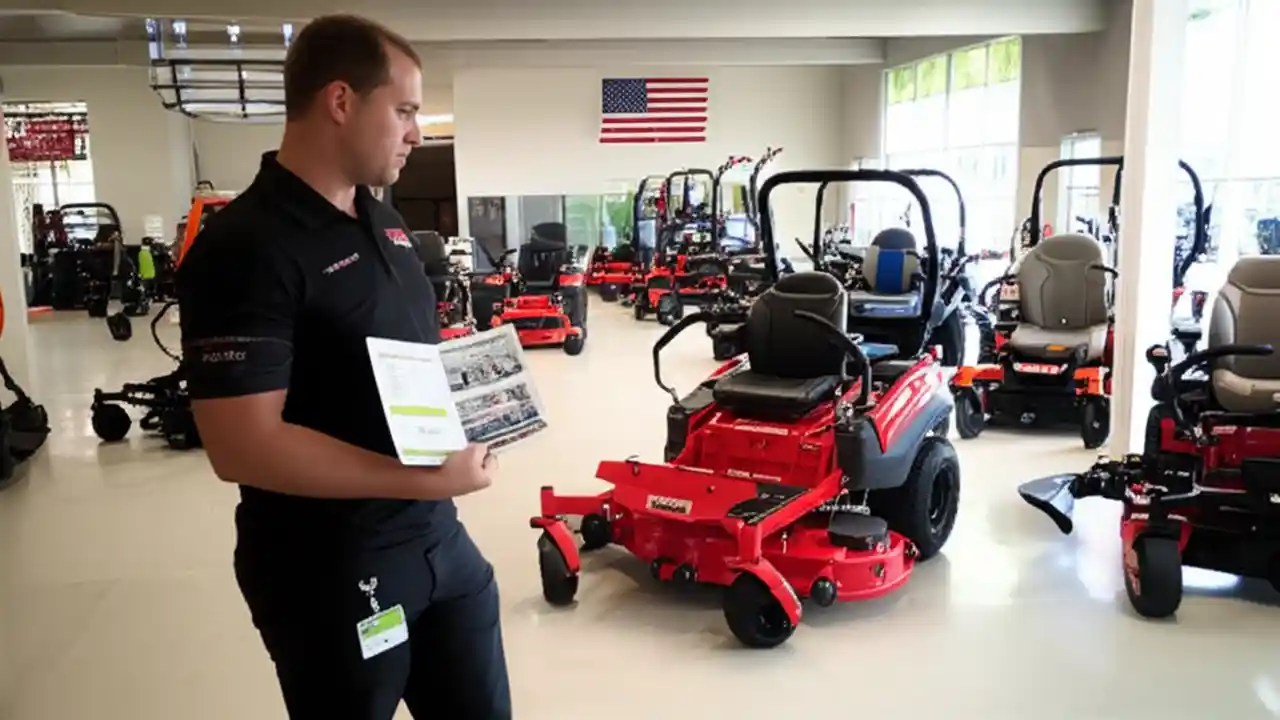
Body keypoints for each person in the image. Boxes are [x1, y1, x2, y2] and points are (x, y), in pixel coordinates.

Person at [176, 15, 510, 720]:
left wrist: (480, 393)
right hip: (330, 566)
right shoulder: (246, 247)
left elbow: (397, 353)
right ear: (340, 102)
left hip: (436, 539)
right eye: (407, 110)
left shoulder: (384, 222)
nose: (418, 132)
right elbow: (242, 447)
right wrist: (421, 477)